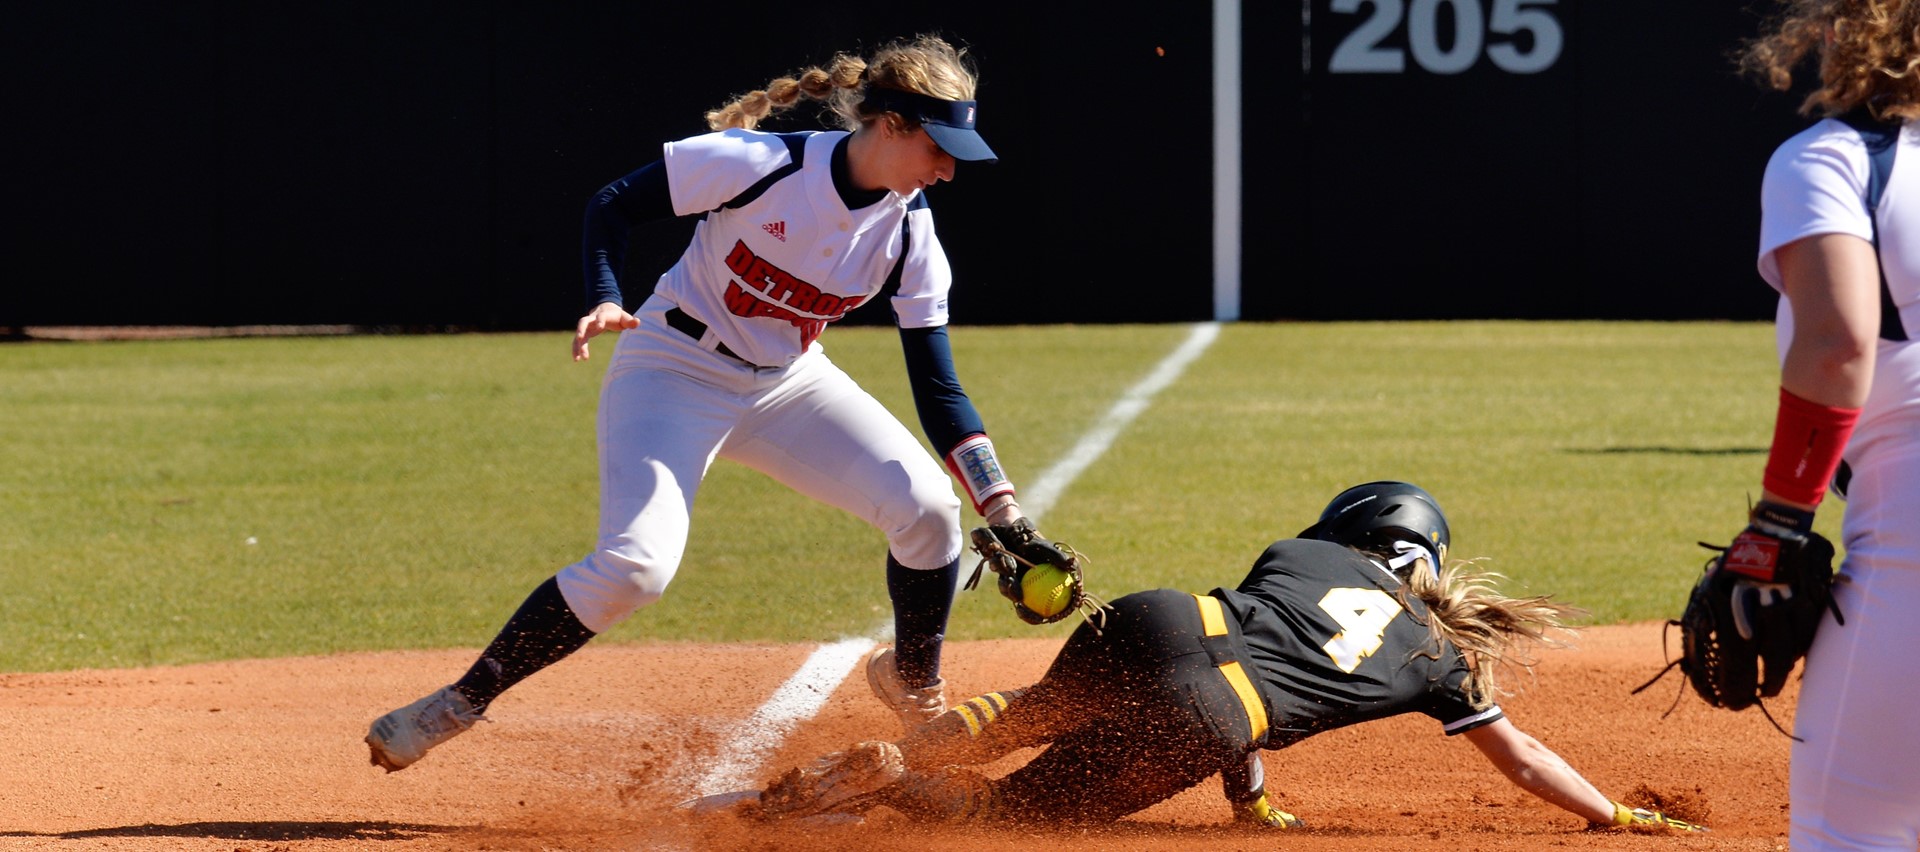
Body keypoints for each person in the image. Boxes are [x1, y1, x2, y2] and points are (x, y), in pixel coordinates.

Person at [365, 34, 1052, 771]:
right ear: (889, 126)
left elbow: (938, 385)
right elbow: (613, 205)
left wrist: (1002, 508)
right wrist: (604, 297)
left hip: (789, 382)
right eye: (938, 147)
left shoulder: (911, 231)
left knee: (927, 511)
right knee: (635, 569)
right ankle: (454, 705)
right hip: (674, 369)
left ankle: (913, 680)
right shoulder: (764, 165)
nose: (947, 169)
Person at [754, 482, 1705, 832]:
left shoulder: (1308, 554)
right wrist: (1611, 812)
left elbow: (1243, 642)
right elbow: (1525, 760)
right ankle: (893, 782)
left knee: (1035, 710)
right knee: (1009, 816)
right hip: (1213, 713)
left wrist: (1246, 793)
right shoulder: (1441, 660)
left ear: (1357, 530)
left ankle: (919, 743)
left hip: (1163, 617)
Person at [1722, 3, 1920, 847]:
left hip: (1908, 515)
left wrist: (1776, 526)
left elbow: (1839, 347)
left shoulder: (1833, 156)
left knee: (1853, 832)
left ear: (1844, 34)